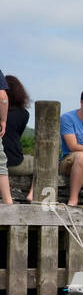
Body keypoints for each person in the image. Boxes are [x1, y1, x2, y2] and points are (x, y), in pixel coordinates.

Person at [1, 74, 34, 205]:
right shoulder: (24, 114)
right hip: (14, 162)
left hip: (2, 162)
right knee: (42, 162)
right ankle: (32, 194)